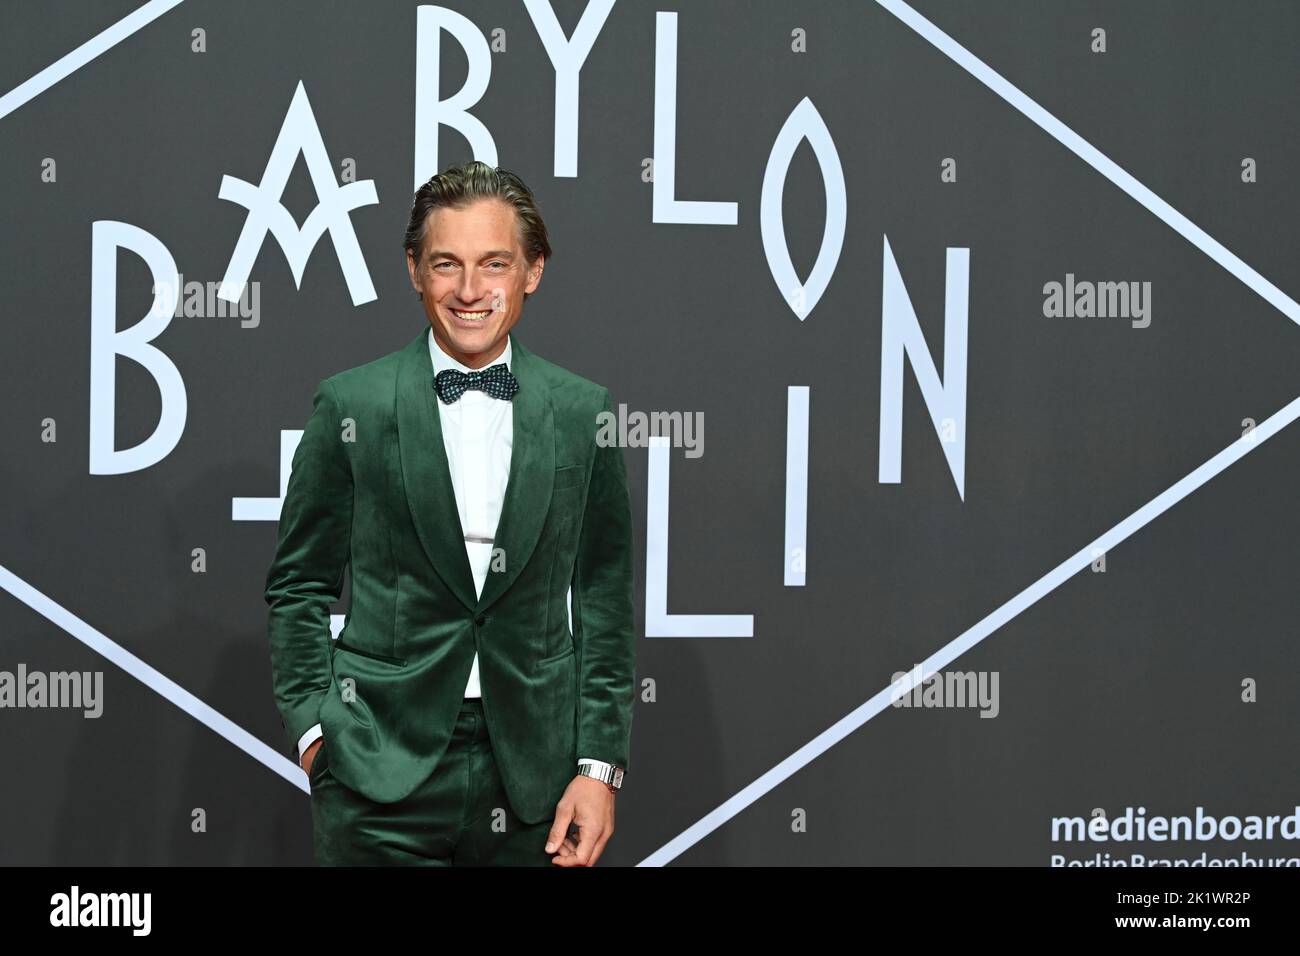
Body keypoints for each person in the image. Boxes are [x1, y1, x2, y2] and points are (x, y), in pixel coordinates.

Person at [264, 160, 636, 866]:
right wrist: (317, 734)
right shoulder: (353, 406)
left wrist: (598, 768)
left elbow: (603, 598)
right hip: (376, 770)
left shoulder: (584, 412)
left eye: (495, 264)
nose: (470, 290)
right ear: (413, 270)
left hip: (534, 778)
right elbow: (298, 585)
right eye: (447, 264)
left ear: (533, 270)